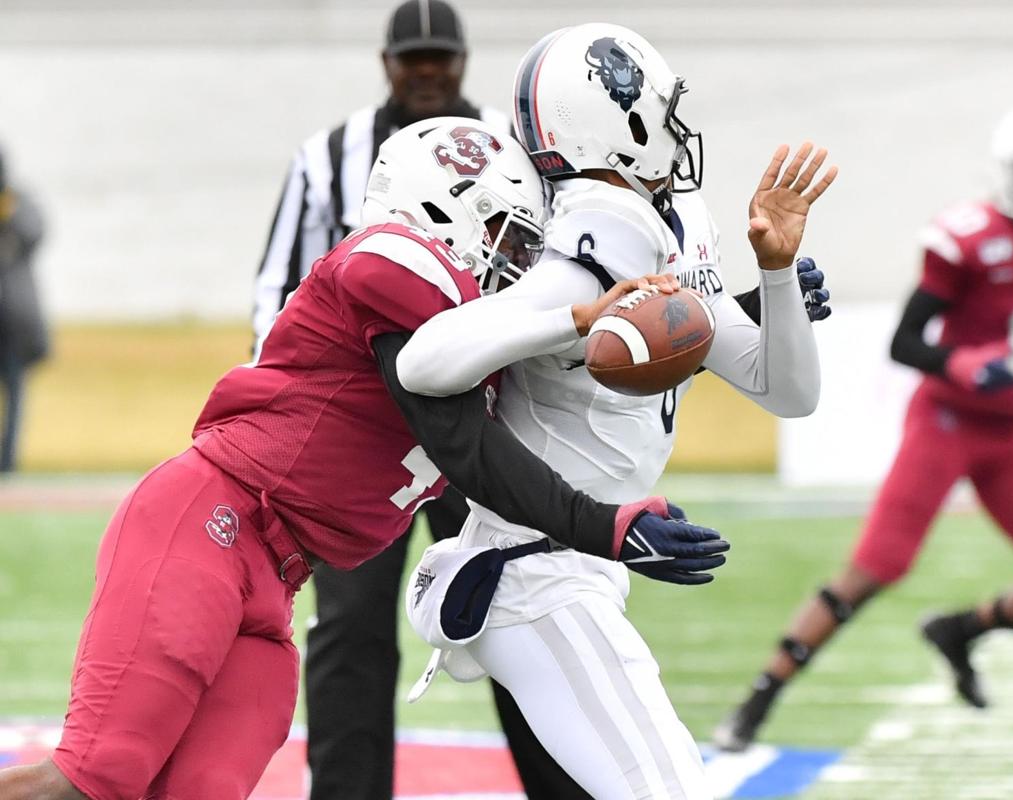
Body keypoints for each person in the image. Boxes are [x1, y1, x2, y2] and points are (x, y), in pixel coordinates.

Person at [0, 117, 728, 800]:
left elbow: (561, 414)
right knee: (95, 777)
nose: (514, 263)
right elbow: (464, 445)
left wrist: (738, 300)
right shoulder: (391, 260)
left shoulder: (477, 333)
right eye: (504, 237)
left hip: (280, 580)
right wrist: (605, 526)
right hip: (210, 526)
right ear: (445, 210)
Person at [394, 24, 838, 798]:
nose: (675, 127)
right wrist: (576, 316)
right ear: (619, 123)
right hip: (533, 578)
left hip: (582, 573)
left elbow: (787, 391)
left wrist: (775, 274)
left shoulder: (664, 223)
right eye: (661, 111)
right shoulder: (592, 242)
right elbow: (421, 363)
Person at [713, 104, 1013, 752]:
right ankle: (759, 698)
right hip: (947, 421)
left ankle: (960, 631)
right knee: (876, 567)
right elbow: (904, 342)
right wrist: (960, 363)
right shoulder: (968, 239)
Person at [250, 3, 566, 796]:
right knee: (350, 624)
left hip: (479, 422)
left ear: (462, 61)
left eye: (440, 58)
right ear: (387, 63)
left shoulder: (513, 146)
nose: (427, 72)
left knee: (515, 610)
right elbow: (276, 292)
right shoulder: (329, 157)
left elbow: (548, 274)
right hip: (361, 435)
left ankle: (564, 783)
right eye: (412, 59)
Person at [0, 146, 49, 473]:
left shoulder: (17, 202)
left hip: (14, 322)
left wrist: (9, 213)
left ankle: (7, 463)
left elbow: (35, 232)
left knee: (16, 393)